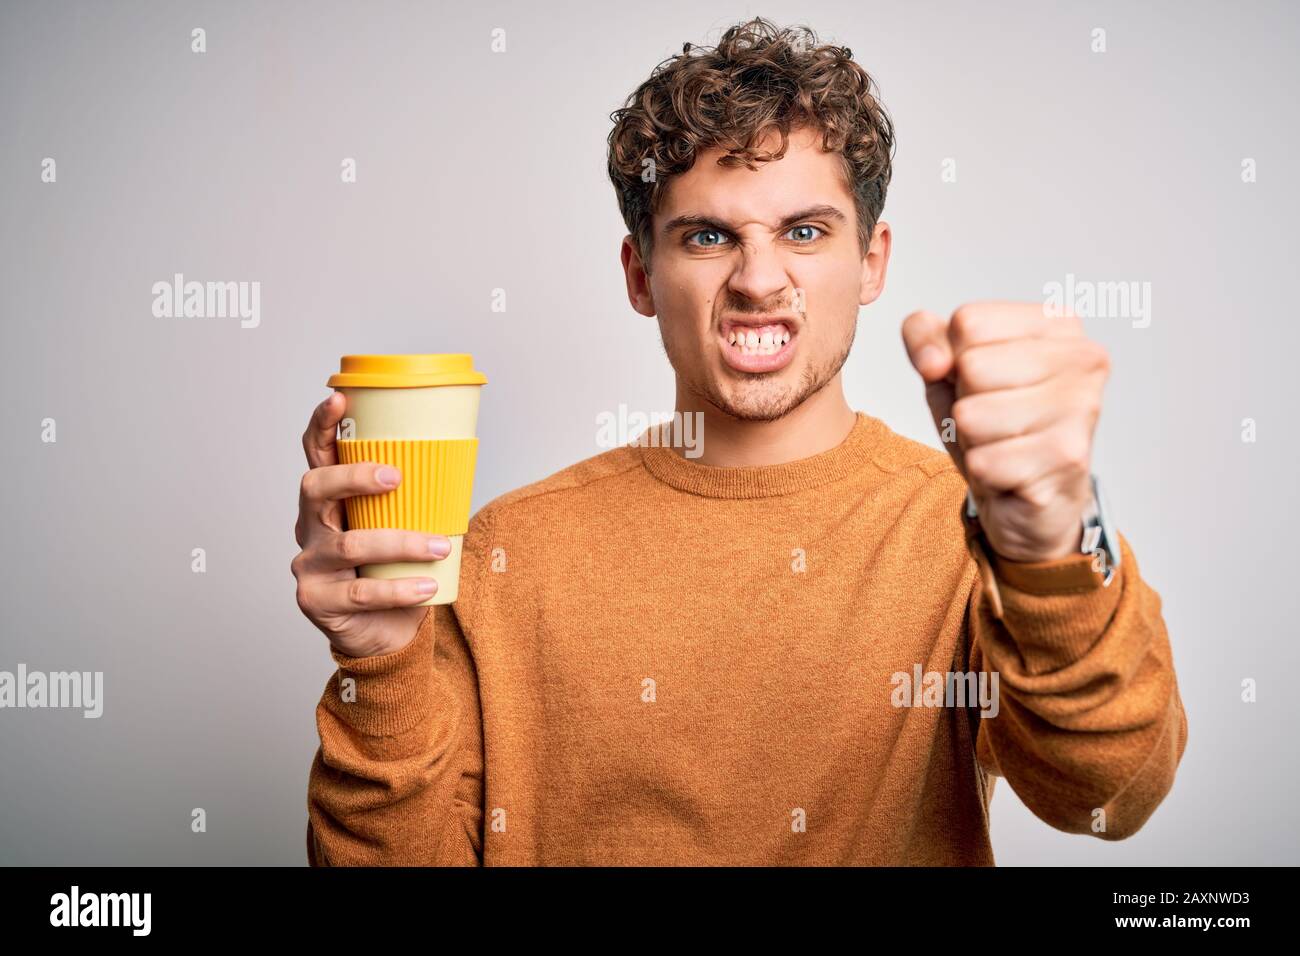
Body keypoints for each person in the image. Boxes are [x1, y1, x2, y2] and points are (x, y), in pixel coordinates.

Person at [293, 17, 1186, 865]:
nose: (761, 280)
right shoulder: (503, 553)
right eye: (710, 236)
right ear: (642, 274)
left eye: (804, 231)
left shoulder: (966, 537)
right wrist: (380, 667)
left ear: (871, 262)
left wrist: (1054, 551)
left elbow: (1109, 791)